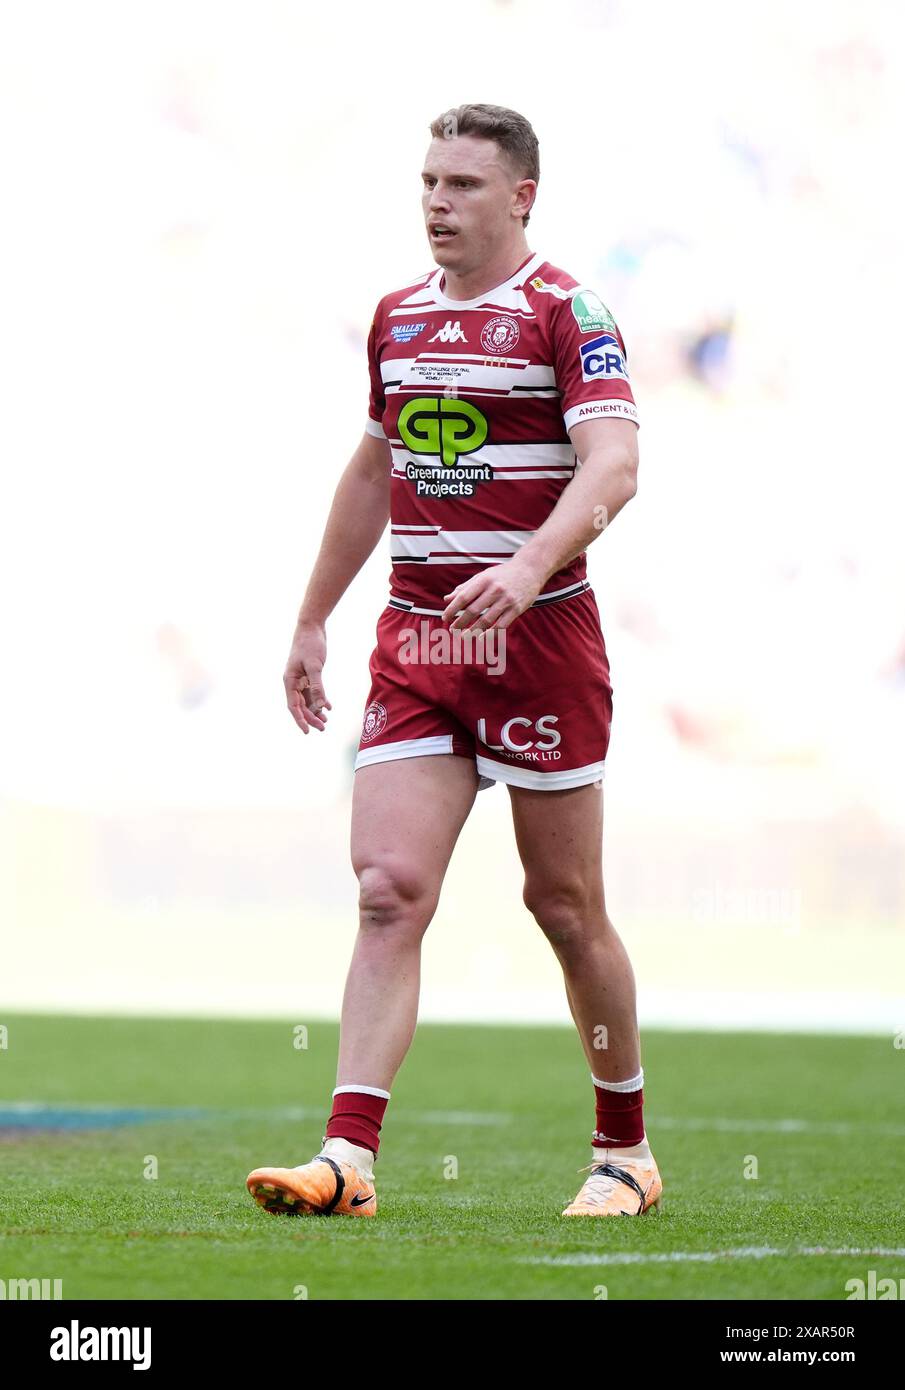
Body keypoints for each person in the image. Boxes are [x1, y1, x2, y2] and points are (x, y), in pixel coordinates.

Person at [246, 103, 661, 1219]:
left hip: (538, 643)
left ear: (519, 196)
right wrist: (310, 617)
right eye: (428, 181)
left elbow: (613, 462)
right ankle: (347, 1156)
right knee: (387, 891)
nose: (437, 201)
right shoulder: (393, 316)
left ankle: (622, 1149)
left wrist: (526, 567)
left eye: (463, 185)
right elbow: (376, 467)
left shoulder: (566, 313)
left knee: (563, 906)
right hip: (422, 641)